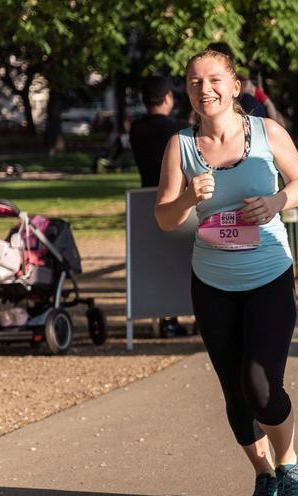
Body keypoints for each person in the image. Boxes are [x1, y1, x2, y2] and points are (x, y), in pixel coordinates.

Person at [154, 49, 298, 496]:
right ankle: (264, 475)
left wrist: (277, 201)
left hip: (269, 275)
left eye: (214, 80)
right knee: (235, 391)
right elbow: (164, 218)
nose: (204, 89)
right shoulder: (180, 146)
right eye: (194, 82)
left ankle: (288, 463)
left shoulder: (266, 132)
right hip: (212, 283)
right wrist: (187, 198)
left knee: (261, 385)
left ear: (235, 86)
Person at [130, 75, 192, 338]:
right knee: (182, 259)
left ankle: (166, 317)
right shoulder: (178, 130)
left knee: (156, 261)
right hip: (178, 201)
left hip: (144, 200)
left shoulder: (136, 129)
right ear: (168, 98)